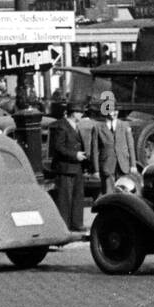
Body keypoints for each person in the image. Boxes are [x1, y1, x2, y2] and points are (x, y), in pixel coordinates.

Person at [48, 100, 88, 233]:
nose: (82, 115)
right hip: (65, 168)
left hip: (76, 168)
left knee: (77, 197)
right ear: (73, 113)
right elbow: (58, 147)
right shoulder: (62, 126)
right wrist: (75, 155)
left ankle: (77, 224)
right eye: (80, 112)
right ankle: (64, 226)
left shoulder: (76, 126)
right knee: (64, 199)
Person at [87, 93, 138, 195]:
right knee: (108, 193)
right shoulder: (98, 127)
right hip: (107, 165)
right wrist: (96, 170)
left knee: (124, 193)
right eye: (111, 110)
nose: (114, 113)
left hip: (123, 165)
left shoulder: (124, 125)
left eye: (116, 110)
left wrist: (133, 165)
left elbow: (130, 146)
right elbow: (94, 150)